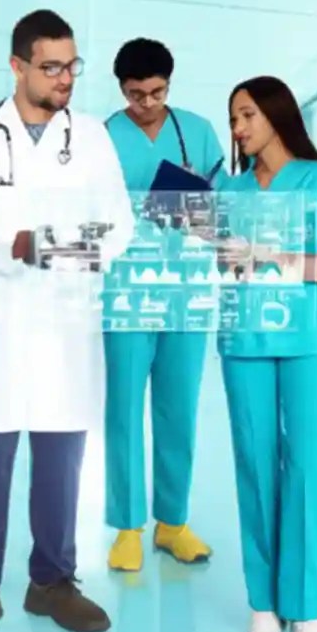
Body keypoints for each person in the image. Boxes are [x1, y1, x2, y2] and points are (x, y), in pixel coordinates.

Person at [0, 8, 135, 632]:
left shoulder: (91, 137)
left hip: (65, 320)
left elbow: (120, 226)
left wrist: (61, 248)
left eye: (72, 66)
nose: (65, 78)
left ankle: (51, 583)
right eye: (51, 67)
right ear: (17, 66)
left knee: (60, 462)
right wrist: (14, 244)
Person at [215, 76, 317, 632]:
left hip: (304, 341)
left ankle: (305, 605)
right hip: (243, 341)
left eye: (247, 114)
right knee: (254, 466)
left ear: (277, 114)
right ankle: (264, 601)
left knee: (303, 466)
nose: (238, 128)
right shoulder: (230, 191)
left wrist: (266, 257)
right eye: (233, 118)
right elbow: (211, 260)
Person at [100, 38, 226, 572]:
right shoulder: (102, 137)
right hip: (126, 293)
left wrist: (191, 209)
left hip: (187, 293)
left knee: (179, 410)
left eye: (157, 92)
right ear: (121, 89)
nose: (148, 103)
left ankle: (172, 523)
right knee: (124, 410)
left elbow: (221, 207)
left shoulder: (197, 130)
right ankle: (128, 527)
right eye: (136, 94)